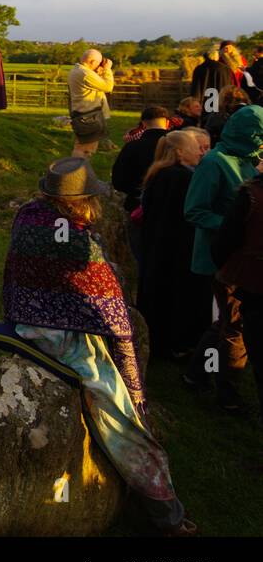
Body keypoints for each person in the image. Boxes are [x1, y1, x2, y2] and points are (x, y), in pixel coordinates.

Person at [0, 157, 195, 536]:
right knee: (122, 422)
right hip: (60, 336)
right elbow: (116, 322)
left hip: (22, 320)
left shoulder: (29, 215)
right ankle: (168, 515)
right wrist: (135, 393)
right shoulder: (83, 244)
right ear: (84, 201)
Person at [182, 105, 263, 410]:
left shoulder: (249, 159)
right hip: (221, 256)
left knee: (227, 321)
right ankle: (227, 393)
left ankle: (197, 373)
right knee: (235, 325)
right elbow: (194, 210)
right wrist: (235, 226)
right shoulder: (214, 162)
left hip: (240, 255)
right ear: (249, 135)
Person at [137, 129, 213, 360]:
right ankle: (174, 345)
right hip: (175, 250)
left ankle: (157, 344)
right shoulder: (181, 178)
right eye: (195, 148)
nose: (200, 152)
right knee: (173, 298)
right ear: (180, 152)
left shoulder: (157, 173)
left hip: (156, 247)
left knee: (156, 295)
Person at [212, 174, 263, 418]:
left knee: (224, 327)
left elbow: (225, 238)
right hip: (242, 277)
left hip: (245, 277)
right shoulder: (251, 193)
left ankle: (205, 376)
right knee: (225, 327)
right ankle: (210, 378)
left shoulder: (251, 193)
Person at [111, 105, 172, 262]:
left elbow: (118, 181)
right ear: (166, 123)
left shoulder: (133, 146)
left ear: (143, 124)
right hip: (171, 207)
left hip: (138, 208)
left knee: (142, 256)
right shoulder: (177, 145)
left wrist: (136, 190)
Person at [67, 49, 114, 157]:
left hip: (83, 115)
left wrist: (99, 72)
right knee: (84, 150)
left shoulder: (77, 70)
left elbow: (97, 84)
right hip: (88, 117)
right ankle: (78, 172)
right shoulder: (85, 74)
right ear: (92, 62)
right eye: (98, 63)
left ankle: (80, 171)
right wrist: (107, 69)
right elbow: (108, 87)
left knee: (83, 147)